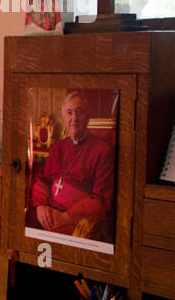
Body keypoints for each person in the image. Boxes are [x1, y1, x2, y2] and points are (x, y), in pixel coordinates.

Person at [30, 90, 115, 239]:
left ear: (88, 117)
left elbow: (101, 200)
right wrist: (40, 206)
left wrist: (65, 217)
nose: (74, 118)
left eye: (79, 112)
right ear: (64, 118)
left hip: (77, 218)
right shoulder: (57, 147)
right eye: (69, 113)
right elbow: (44, 180)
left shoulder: (102, 150)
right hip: (50, 209)